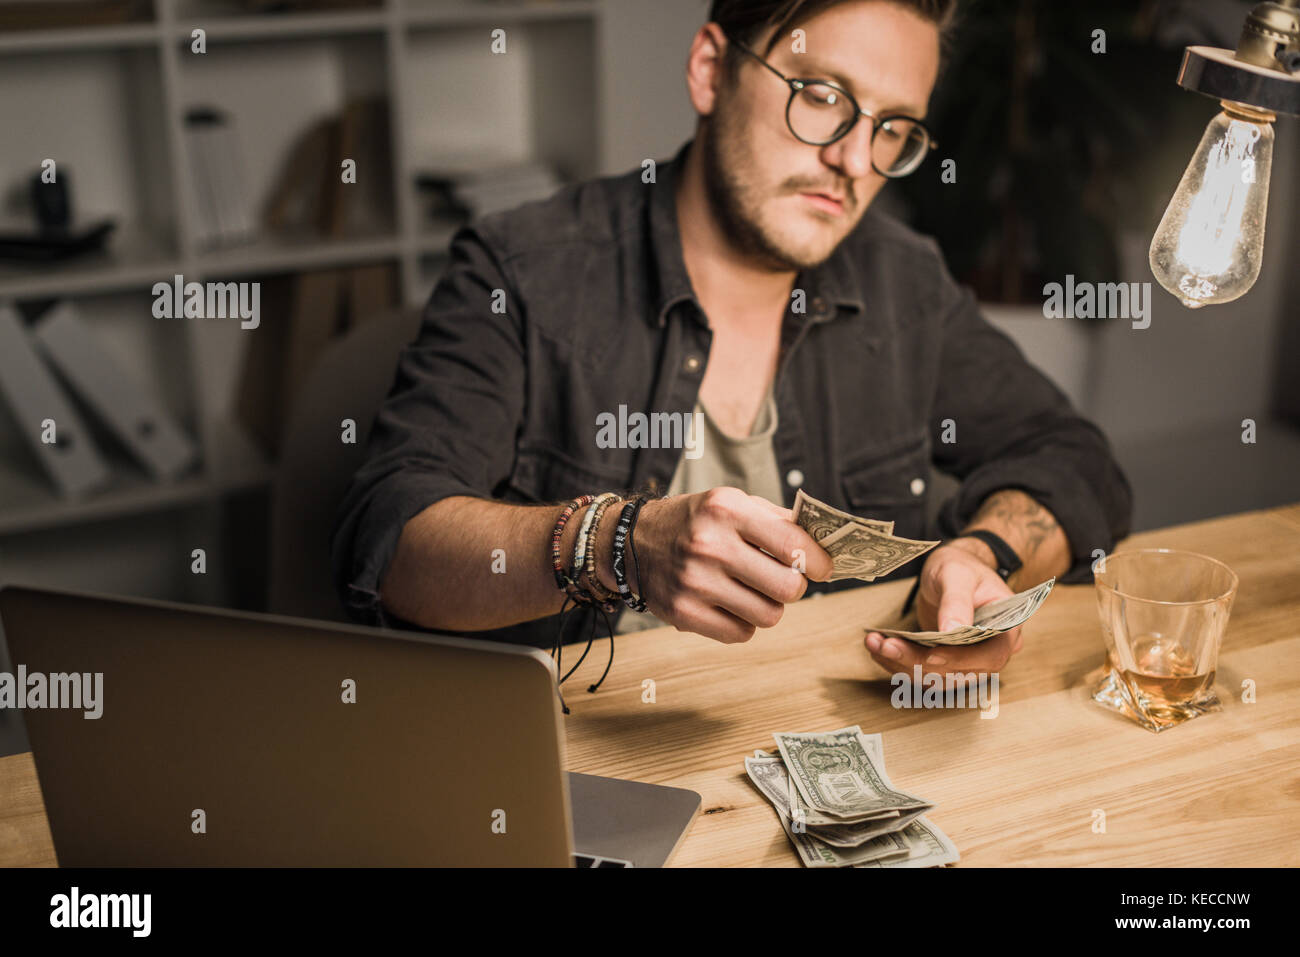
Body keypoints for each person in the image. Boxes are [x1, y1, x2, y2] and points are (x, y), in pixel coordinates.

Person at [332, 0, 1131, 684]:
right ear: (711, 70)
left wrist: (983, 556)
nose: (855, 160)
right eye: (822, 96)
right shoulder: (522, 269)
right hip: (572, 773)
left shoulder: (902, 281)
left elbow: (1072, 457)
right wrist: (620, 545)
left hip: (814, 751)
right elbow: (391, 539)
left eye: (894, 128)